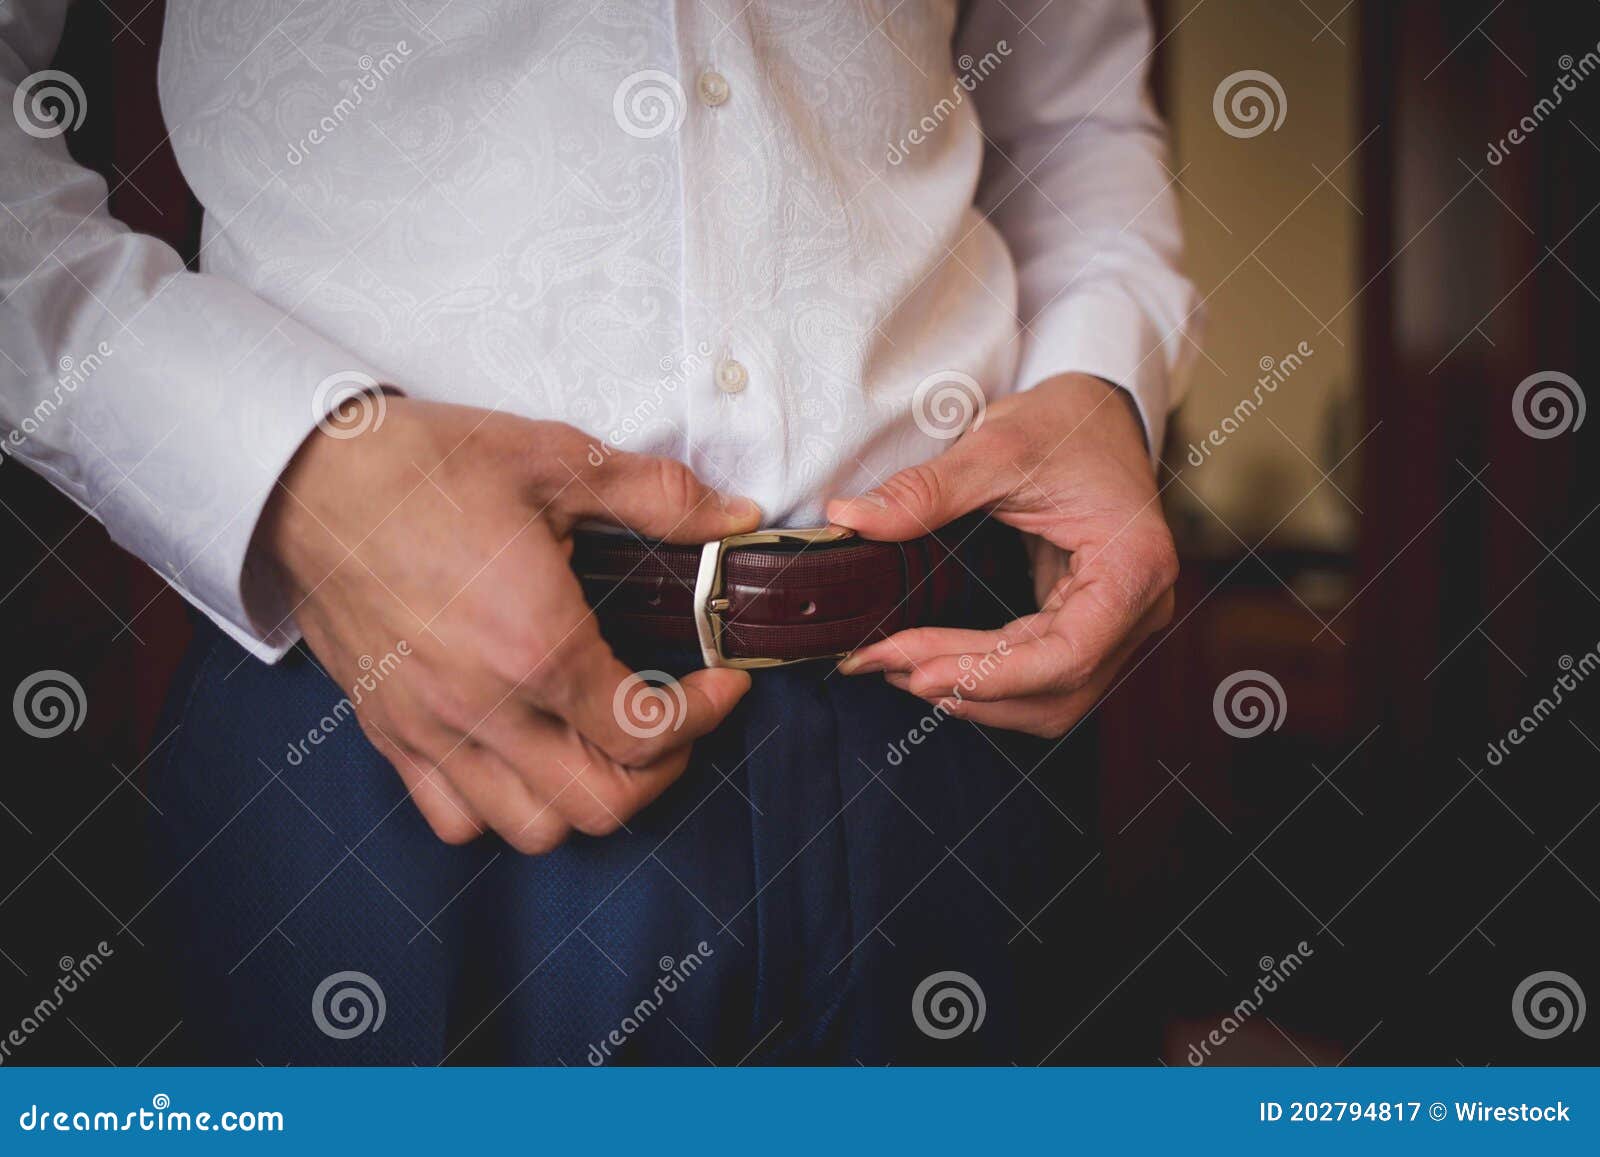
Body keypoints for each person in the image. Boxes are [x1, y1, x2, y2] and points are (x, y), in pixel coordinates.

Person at [1, 0, 1198, 1063]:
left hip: (952, 719)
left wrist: (1102, 378)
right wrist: (303, 474)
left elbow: (1073, 117)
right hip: (392, 741)